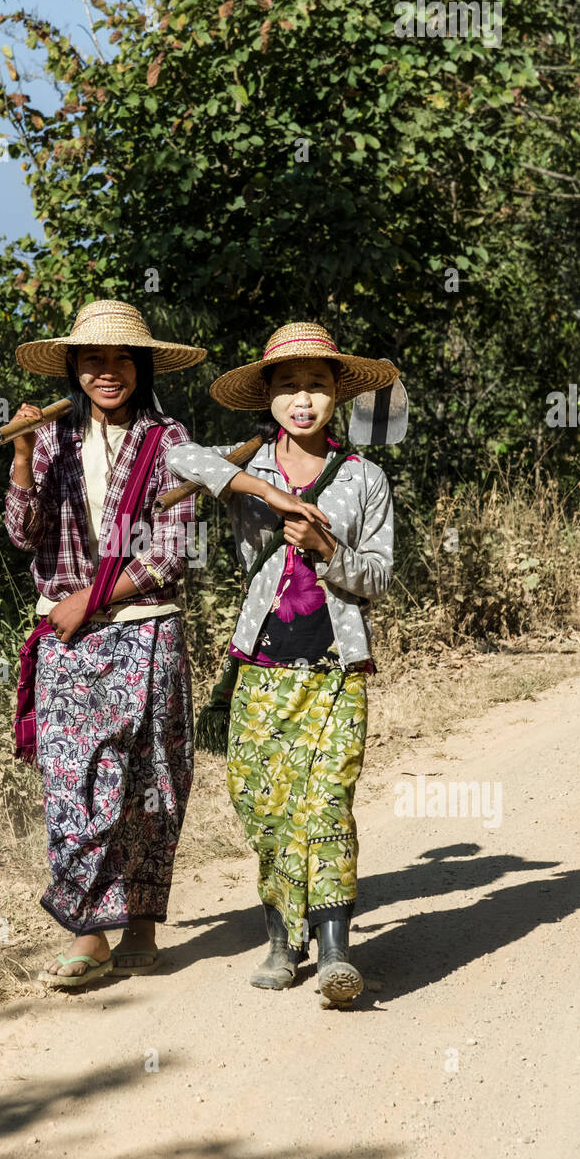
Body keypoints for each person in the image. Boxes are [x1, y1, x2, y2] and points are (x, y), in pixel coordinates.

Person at [165, 322, 398, 1007]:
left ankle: (332, 955)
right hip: (259, 669)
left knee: (326, 802)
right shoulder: (249, 471)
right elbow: (179, 459)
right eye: (289, 386)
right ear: (266, 396)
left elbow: (379, 577)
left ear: (336, 397)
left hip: (334, 668)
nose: (303, 399)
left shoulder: (363, 479)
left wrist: (331, 553)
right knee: (263, 806)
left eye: (317, 386)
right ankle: (279, 939)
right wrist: (263, 493)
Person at [4, 299, 206, 987]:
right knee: (74, 782)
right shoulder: (52, 438)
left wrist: (88, 600)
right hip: (65, 638)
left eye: (122, 359)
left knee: (150, 780)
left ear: (142, 367)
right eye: (93, 359)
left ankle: (141, 918)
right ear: (73, 368)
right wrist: (24, 455)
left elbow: (171, 552)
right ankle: (88, 932)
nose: (108, 371)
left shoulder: (168, 438)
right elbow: (22, 534)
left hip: (143, 629)